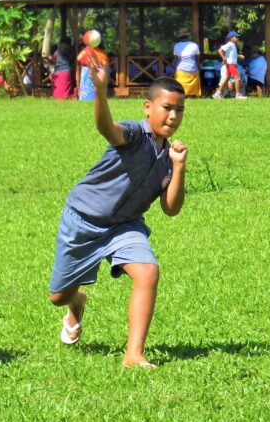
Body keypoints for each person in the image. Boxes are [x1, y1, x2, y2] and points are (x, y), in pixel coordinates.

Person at [48, 56, 189, 368]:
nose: (174, 115)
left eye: (180, 110)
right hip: (83, 221)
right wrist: (99, 90)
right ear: (148, 107)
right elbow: (105, 127)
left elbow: (170, 208)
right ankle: (76, 304)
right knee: (58, 296)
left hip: (125, 226)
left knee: (148, 272)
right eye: (167, 107)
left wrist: (179, 167)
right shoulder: (133, 134)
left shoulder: (169, 155)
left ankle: (134, 354)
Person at [213, 30, 246, 99]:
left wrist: (239, 56)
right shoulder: (230, 44)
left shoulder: (233, 45)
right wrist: (224, 58)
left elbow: (232, 54)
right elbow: (220, 50)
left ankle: (217, 93)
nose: (237, 38)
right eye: (236, 37)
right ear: (231, 38)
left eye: (237, 37)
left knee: (227, 79)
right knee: (237, 78)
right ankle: (238, 95)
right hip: (231, 64)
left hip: (231, 64)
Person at [173, 28, 202, 97]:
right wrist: (199, 67)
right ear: (188, 36)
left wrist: (173, 67)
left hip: (181, 70)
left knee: (181, 86)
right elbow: (197, 59)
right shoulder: (194, 45)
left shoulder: (176, 45)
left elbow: (175, 59)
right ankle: (193, 95)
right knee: (193, 88)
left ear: (180, 37)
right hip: (193, 69)